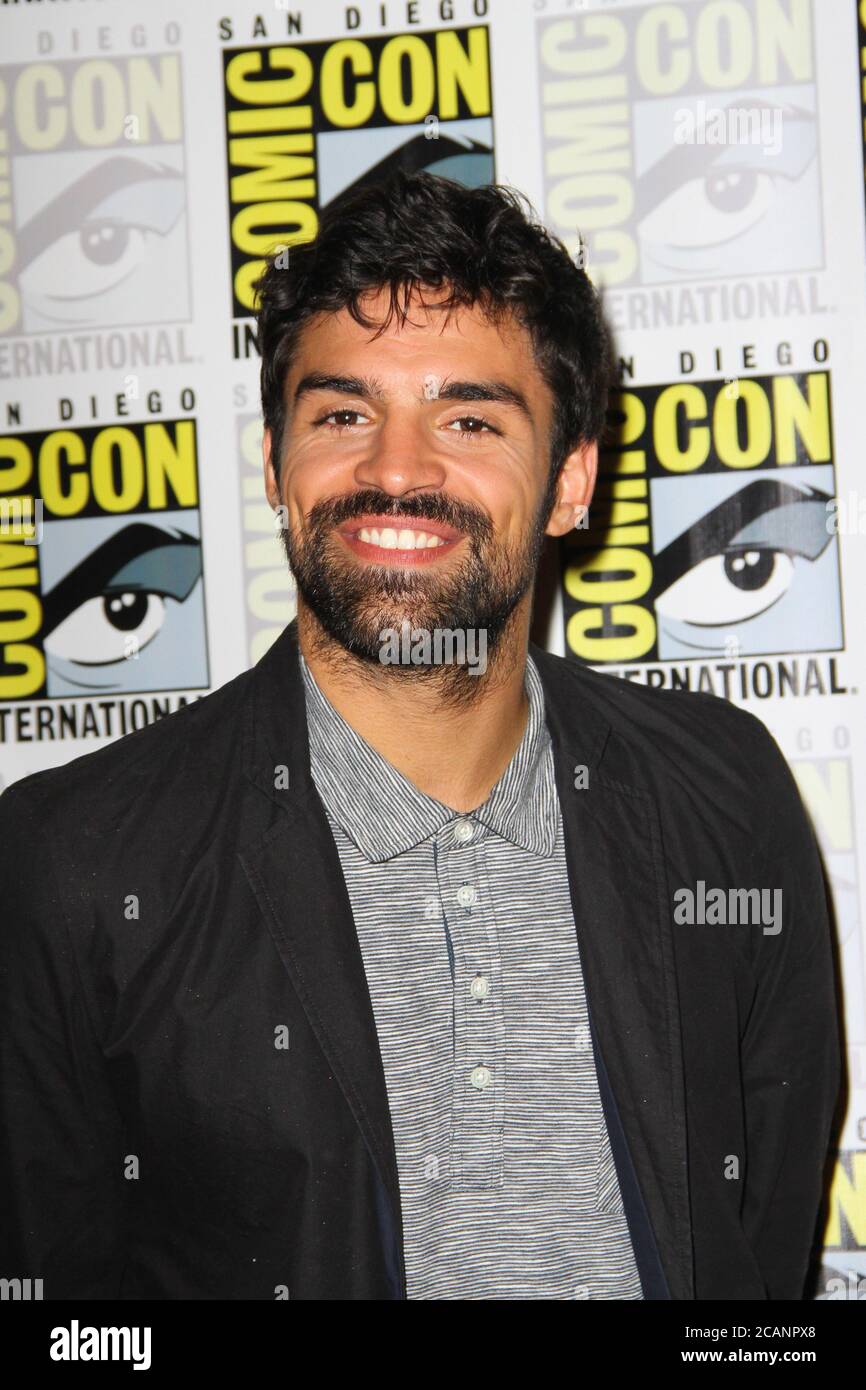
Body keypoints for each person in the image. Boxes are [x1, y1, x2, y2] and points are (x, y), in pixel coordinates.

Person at [0, 173, 841, 1300]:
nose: (395, 470)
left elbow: (757, 1242)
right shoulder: (75, 858)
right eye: (342, 413)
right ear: (271, 464)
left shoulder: (721, 792)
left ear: (568, 479)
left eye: (468, 419)